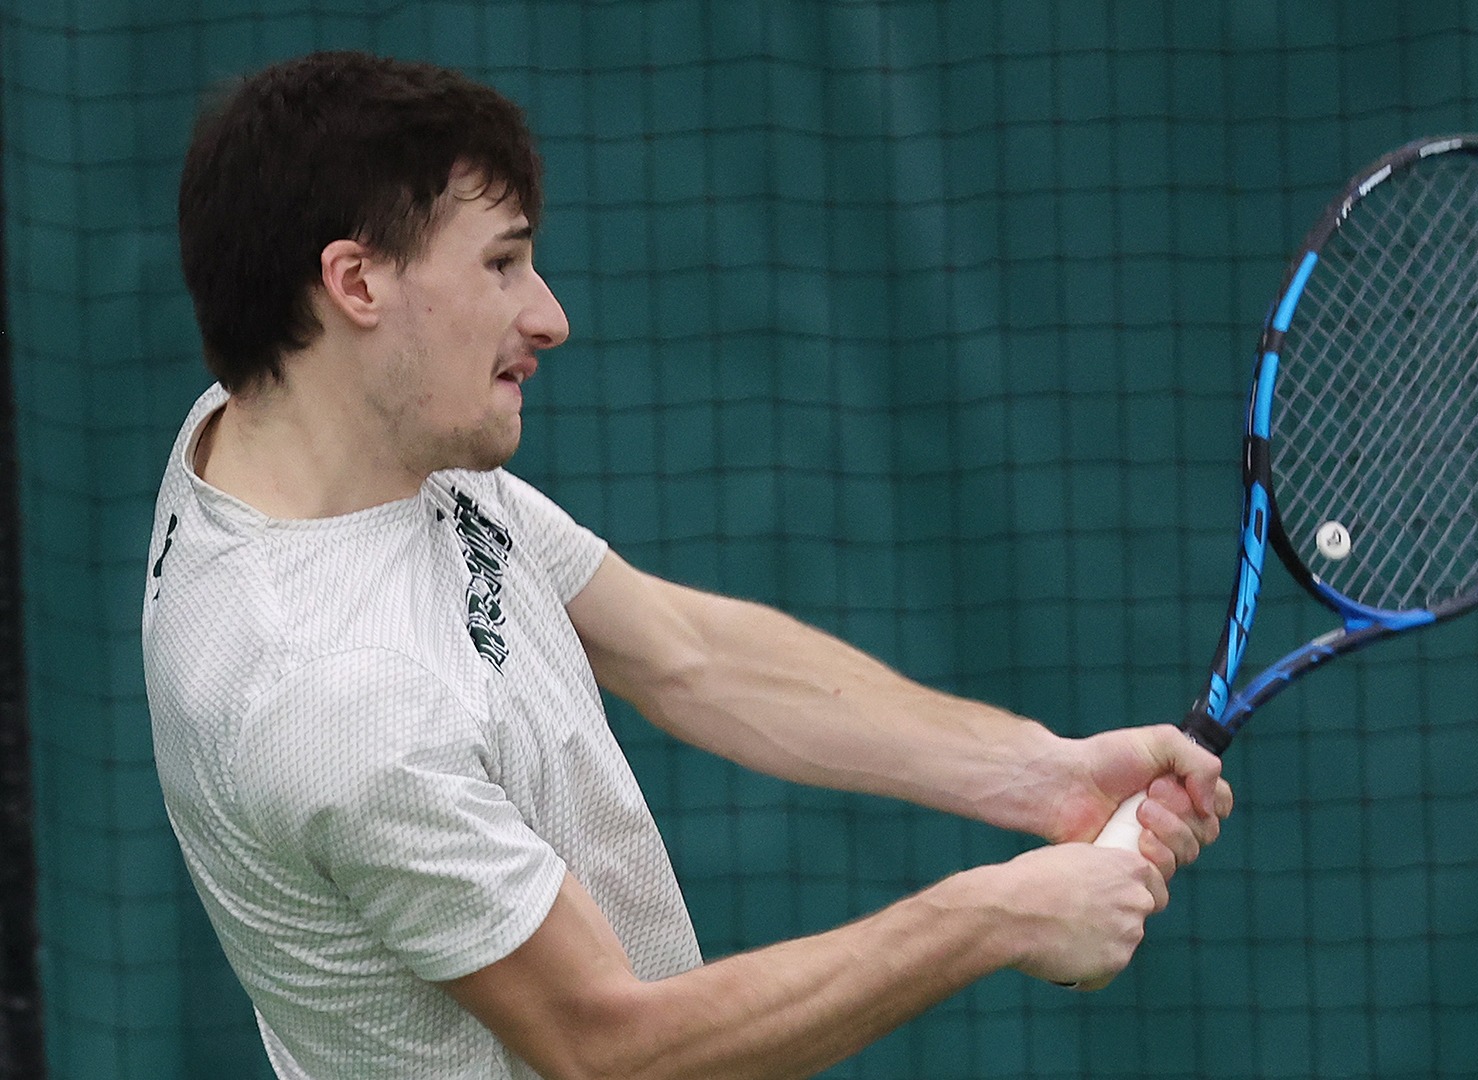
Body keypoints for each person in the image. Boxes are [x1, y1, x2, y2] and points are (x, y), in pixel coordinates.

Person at [144, 50, 1230, 1080]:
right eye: (502, 262)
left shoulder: (308, 436)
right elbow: (616, 1050)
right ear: (356, 284)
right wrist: (996, 915)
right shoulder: (334, 700)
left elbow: (683, 654)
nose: (550, 316)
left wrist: (1038, 773)